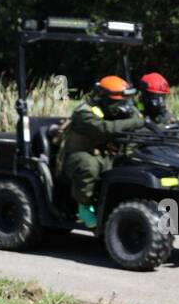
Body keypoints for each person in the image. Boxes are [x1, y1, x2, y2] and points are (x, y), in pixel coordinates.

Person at [58, 75, 145, 227]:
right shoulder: (84, 113)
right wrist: (134, 122)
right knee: (89, 166)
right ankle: (83, 207)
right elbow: (105, 129)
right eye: (119, 102)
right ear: (105, 99)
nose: (124, 105)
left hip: (104, 154)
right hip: (77, 155)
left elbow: (137, 124)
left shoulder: (115, 112)